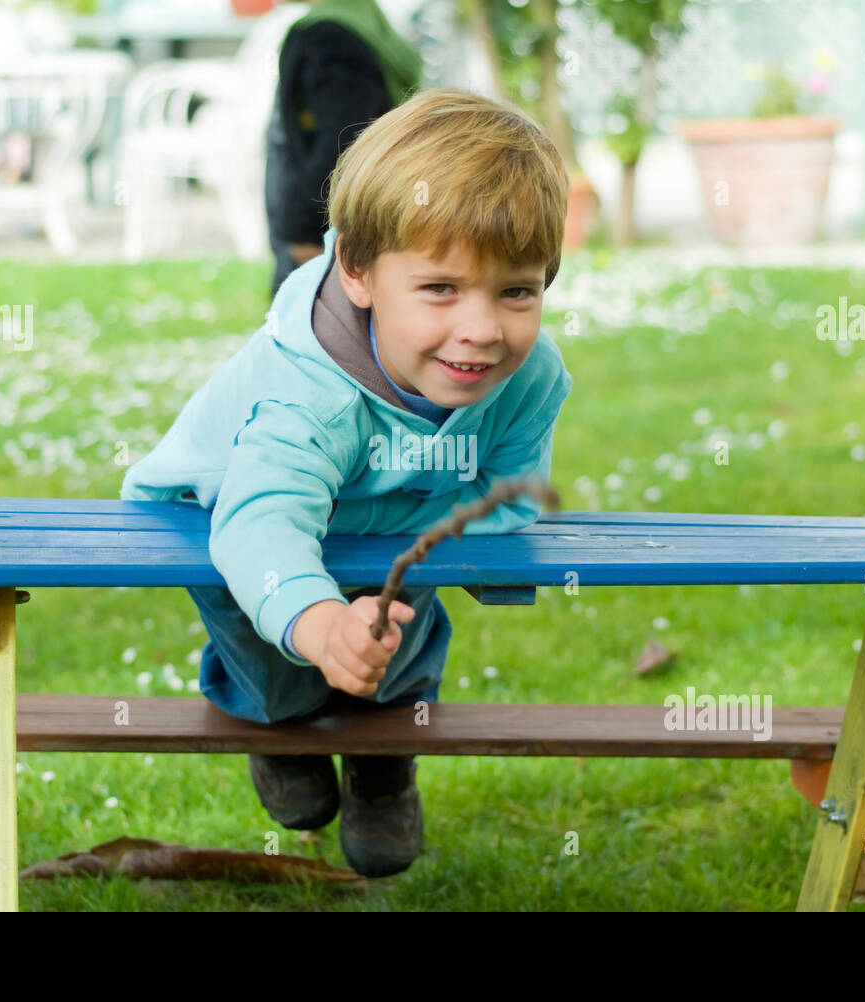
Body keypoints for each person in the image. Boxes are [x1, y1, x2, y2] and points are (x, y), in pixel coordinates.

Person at [120, 87, 573, 878]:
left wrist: (436, 538)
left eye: (516, 292)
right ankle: (276, 727)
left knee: (401, 629)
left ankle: (382, 753)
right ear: (358, 272)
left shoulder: (528, 379)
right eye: (440, 288)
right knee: (277, 659)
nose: (482, 329)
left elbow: (509, 491)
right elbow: (260, 523)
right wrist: (323, 624)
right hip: (231, 522)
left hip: (393, 522)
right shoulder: (311, 394)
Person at [265, 0, 423, 297]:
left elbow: (344, 142)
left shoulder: (329, 37)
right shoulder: (363, 19)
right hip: (348, 232)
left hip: (328, 240)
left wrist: (306, 231)